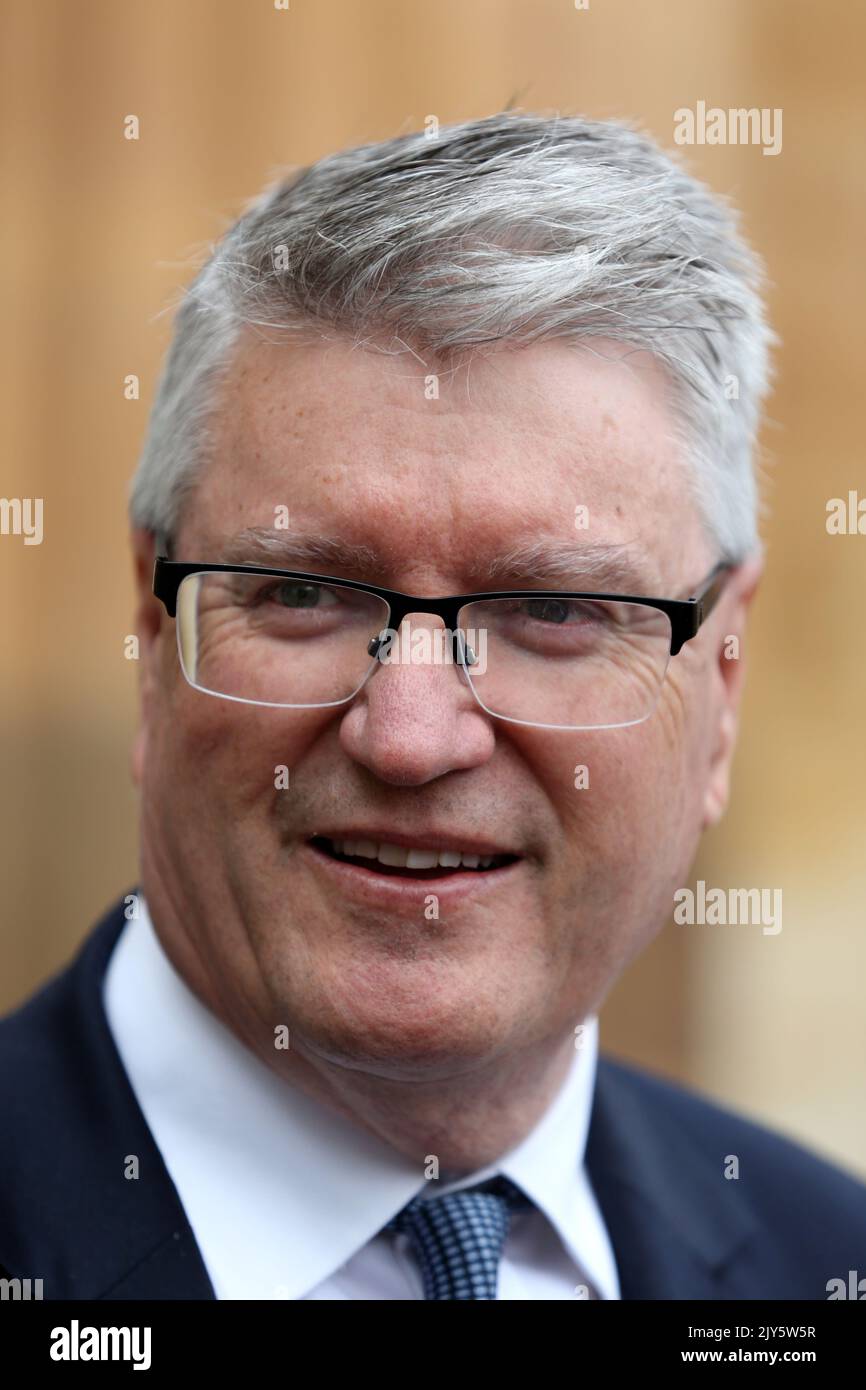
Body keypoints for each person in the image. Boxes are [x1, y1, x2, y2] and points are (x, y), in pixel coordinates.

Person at [2, 112, 864, 1301]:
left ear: (719, 684)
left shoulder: (827, 1264)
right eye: (303, 591)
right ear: (154, 638)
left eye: (553, 612)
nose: (409, 736)